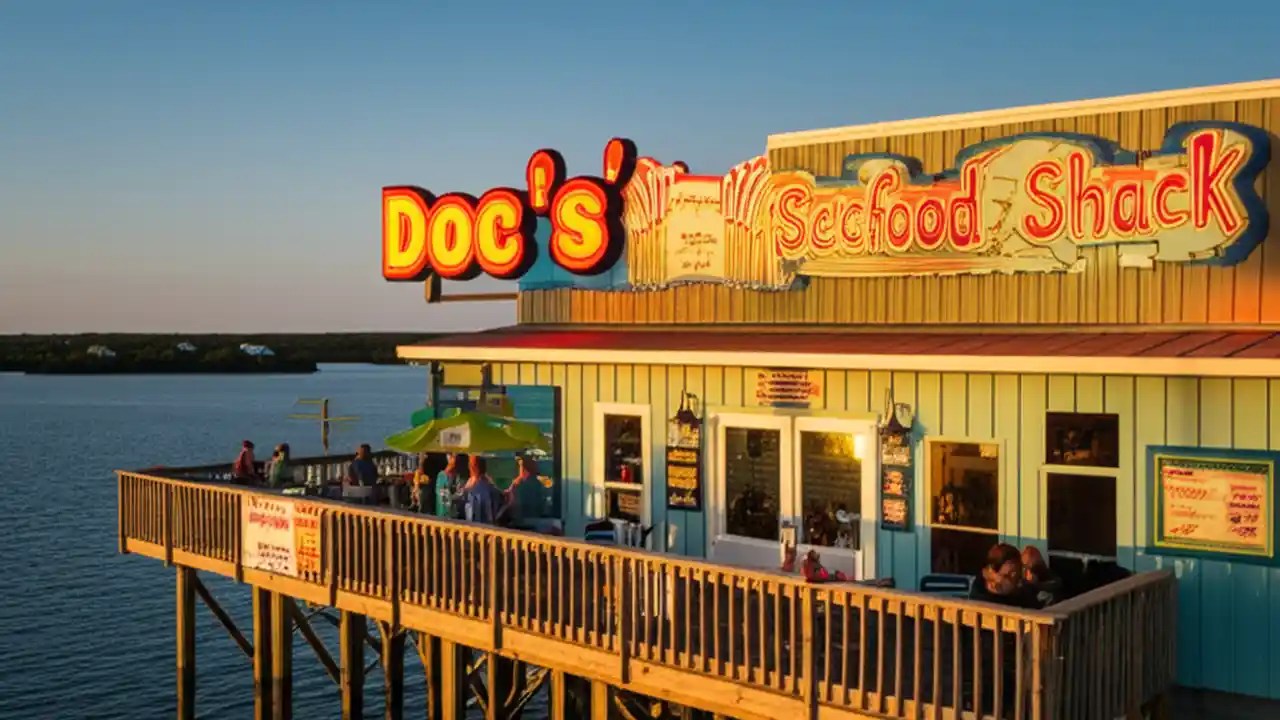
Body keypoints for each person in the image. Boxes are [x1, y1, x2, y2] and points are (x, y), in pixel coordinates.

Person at [969, 543, 1042, 609]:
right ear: (993, 573)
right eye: (1009, 575)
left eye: (1017, 570)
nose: (1015, 577)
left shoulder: (1018, 590)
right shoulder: (985, 600)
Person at [504, 455, 549, 530]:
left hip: (524, 523)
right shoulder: (535, 484)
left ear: (526, 469)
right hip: (530, 521)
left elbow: (513, 504)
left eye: (521, 467)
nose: (520, 470)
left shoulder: (525, 485)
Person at [462, 456, 504, 525]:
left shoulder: (488, 489)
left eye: (473, 465)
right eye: (470, 464)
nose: (470, 467)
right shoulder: (469, 485)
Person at [436, 453, 470, 517]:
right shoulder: (442, 476)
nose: (455, 458)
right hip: (445, 517)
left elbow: (461, 493)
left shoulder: (461, 477)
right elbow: (445, 500)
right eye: (453, 456)